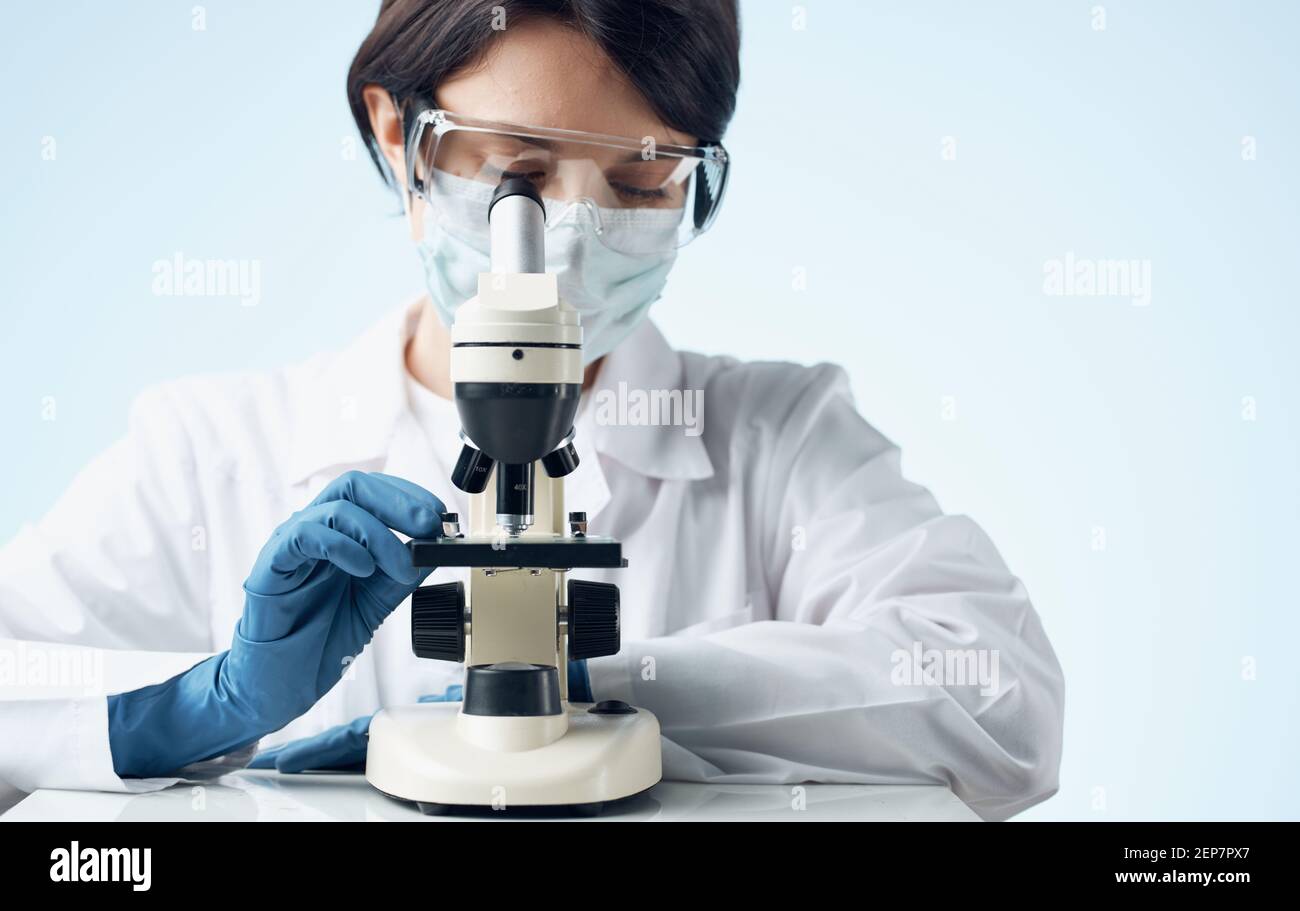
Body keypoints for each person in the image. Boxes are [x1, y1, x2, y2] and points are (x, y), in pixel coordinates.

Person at [0, 0, 1064, 820]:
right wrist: (200, 705)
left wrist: (590, 684)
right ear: (398, 140)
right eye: (517, 170)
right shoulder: (213, 452)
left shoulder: (779, 437)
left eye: (643, 184)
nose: (574, 234)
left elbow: (1000, 695)